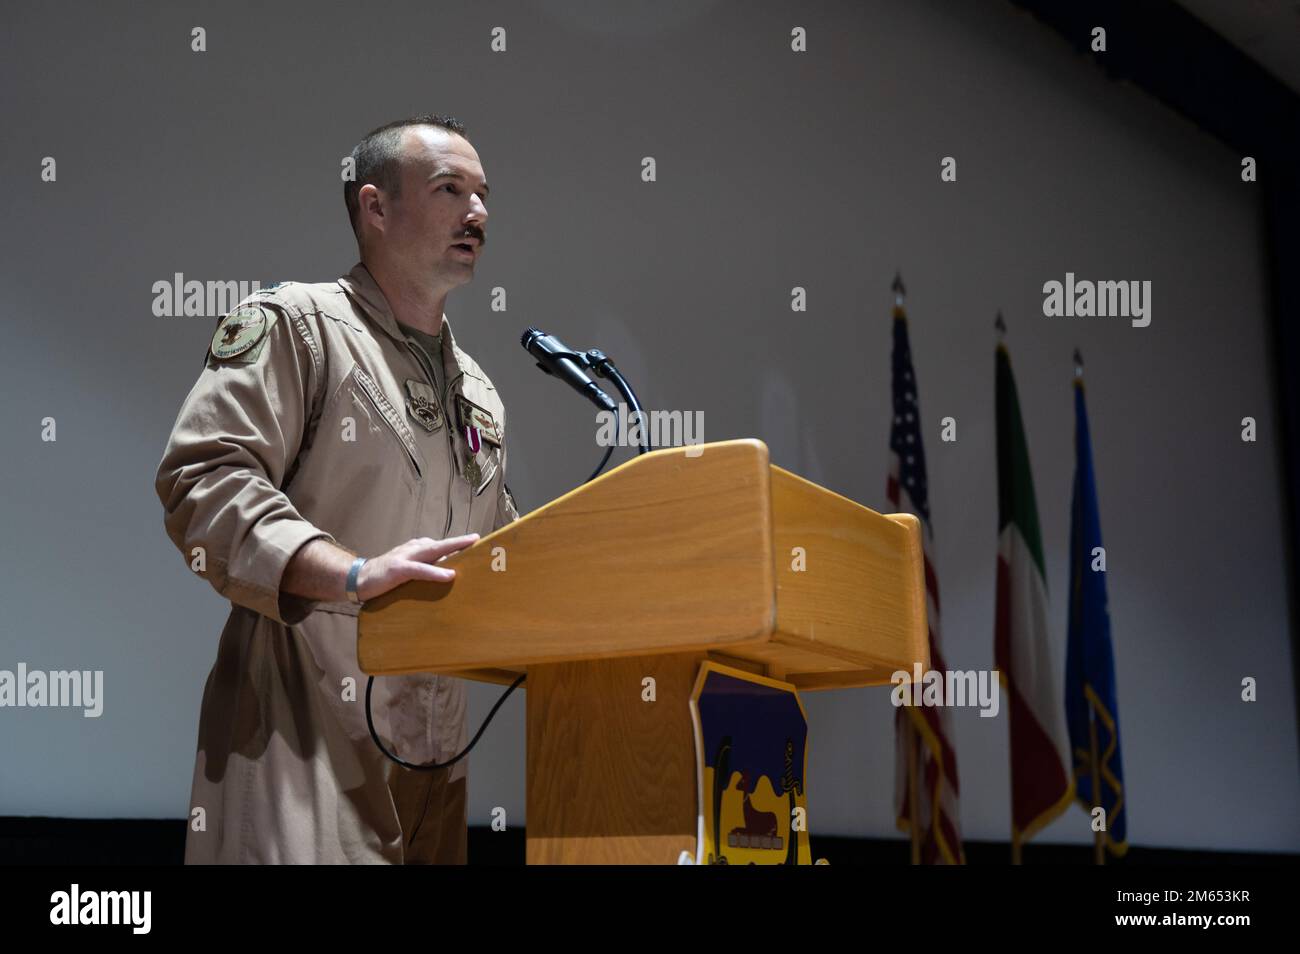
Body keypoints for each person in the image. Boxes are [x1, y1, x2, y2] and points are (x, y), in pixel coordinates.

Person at [154, 114, 519, 864]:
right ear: (374, 207)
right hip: (303, 734)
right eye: (450, 189)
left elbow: (500, 547)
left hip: (436, 758)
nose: (476, 213)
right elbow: (203, 479)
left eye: (483, 194)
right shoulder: (296, 326)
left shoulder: (477, 388)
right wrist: (353, 576)